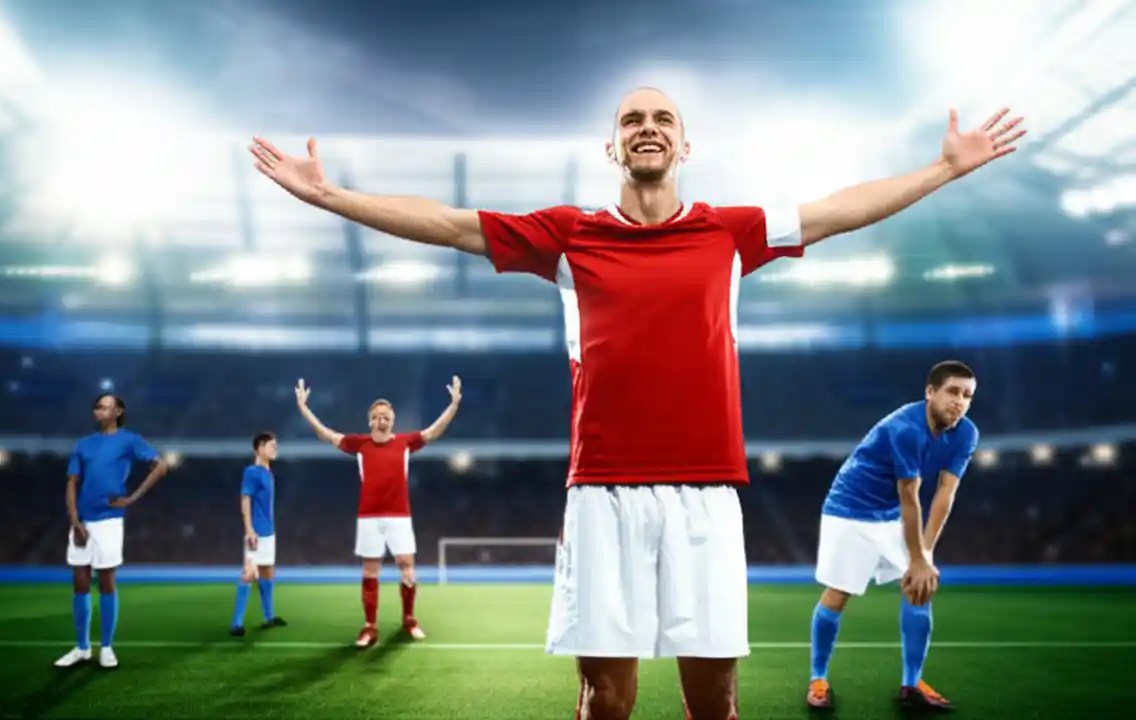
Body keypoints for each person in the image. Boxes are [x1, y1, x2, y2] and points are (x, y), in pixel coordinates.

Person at [249, 87, 1023, 718]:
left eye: (662, 120)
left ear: (684, 147)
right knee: (604, 699)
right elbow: (451, 225)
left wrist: (942, 170)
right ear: (613, 147)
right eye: (632, 120)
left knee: (715, 700)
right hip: (602, 495)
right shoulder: (568, 236)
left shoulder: (730, 232)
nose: (646, 129)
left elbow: (838, 209)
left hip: (708, 495)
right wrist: (328, 198)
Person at [806, 361, 979, 712]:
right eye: (952, 392)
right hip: (849, 510)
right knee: (839, 594)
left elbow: (945, 494)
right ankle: (818, 680)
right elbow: (910, 495)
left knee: (920, 588)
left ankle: (911, 684)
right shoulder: (906, 428)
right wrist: (916, 558)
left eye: (967, 395)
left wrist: (925, 555)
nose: (959, 401)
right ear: (930, 392)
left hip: (890, 515)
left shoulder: (967, 433)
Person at [295, 376, 462, 648]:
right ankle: (370, 627)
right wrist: (304, 409)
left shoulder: (405, 443)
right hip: (369, 518)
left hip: (399, 517)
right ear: (370, 421)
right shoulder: (359, 444)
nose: (381, 420)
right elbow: (325, 434)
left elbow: (433, 431)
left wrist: (453, 405)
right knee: (370, 571)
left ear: (392, 420)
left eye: (386, 416)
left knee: (408, 569)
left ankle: (409, 620)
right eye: (376, 416)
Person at [54, 393, 168, 669]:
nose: (99, 410)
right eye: (96, 406)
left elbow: (160, 465)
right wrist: (74, 521)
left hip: (109, 521)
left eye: (105, 406)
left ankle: (106, 647)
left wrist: (132, 498)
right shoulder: (84, 445)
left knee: (106, 581)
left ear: (118, 411)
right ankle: (82, 648)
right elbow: (72, 483)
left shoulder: (129, 440)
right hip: (82, 521)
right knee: (80, 583)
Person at [230, 431, 288, 636]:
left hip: (269, 532)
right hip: (256, 532)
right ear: (259, 448)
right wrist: (249, 529)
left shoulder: (268, 473)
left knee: (268, 573)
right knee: (249, 574)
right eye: (271, 446)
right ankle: (236, 623)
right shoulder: (251, 472)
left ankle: (269, 617)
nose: (275, 449)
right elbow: (245, 499)